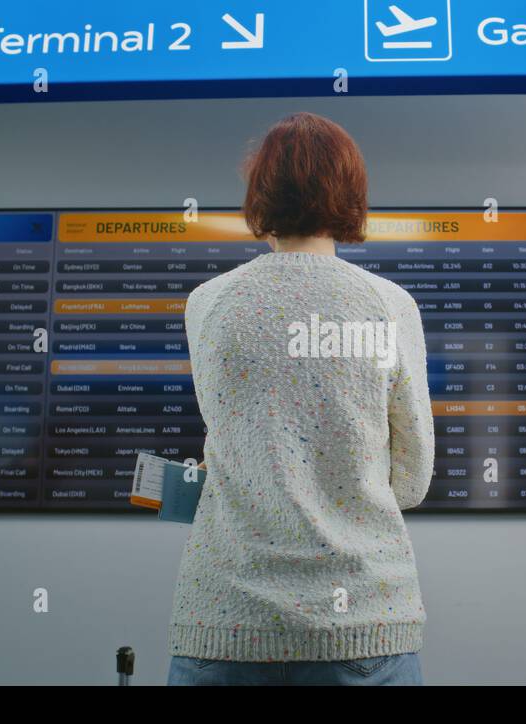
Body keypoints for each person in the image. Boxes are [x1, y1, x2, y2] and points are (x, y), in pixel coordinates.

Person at [166, 113, 435, 685]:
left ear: (260, 194)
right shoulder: (390, 305)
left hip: (226, 622)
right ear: (350, 195)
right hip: (363, 624)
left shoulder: (208, 303)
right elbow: (411, 481)